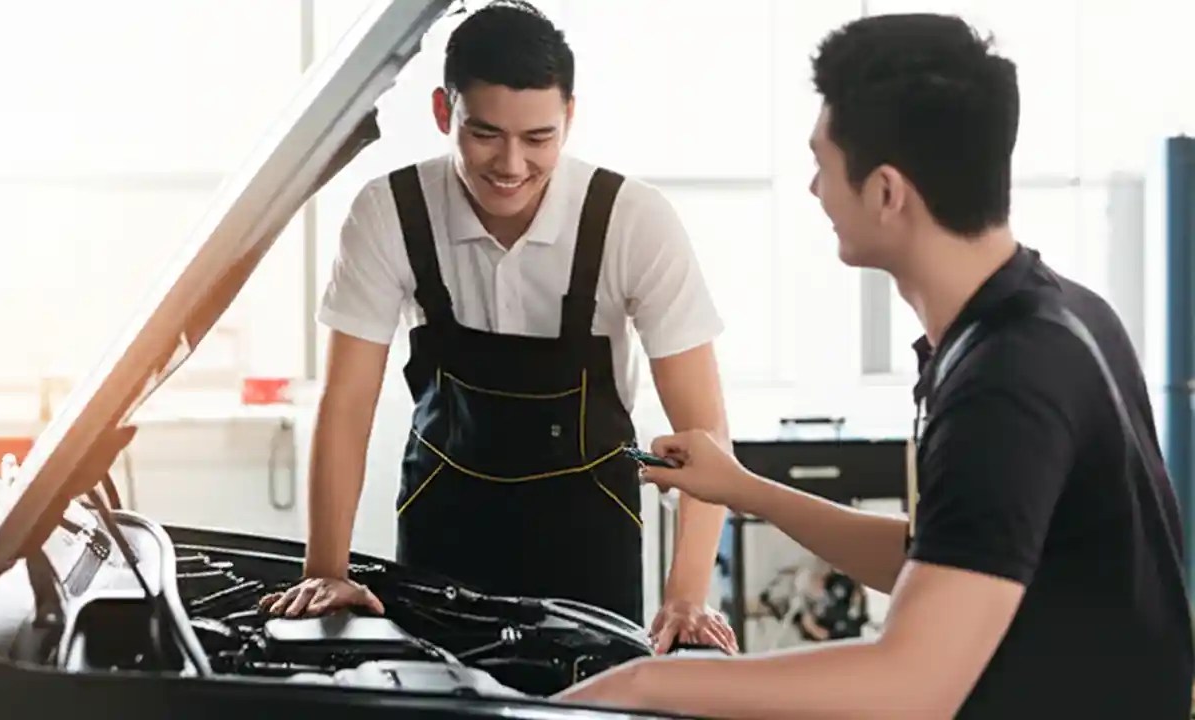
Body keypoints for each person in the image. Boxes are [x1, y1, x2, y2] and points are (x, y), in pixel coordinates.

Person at [556, 13, 1194, 718]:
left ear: (888, 193)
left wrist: (643, 685)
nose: (813, 191)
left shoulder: (1009, 381)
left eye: (822, 165)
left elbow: (911, 685)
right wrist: (746, 490)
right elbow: (940, 561)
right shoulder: (1061, 314)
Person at [259, 0, 737, 655]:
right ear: (441, 112)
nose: (511, 165)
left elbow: (703, 431)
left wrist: (686, 596)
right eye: (485, 134)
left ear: (569, 117)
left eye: (538, 138)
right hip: (442, 532)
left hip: (590, 537)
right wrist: (325, 571)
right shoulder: (389, 214)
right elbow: (346, 406)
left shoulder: (633, 220)